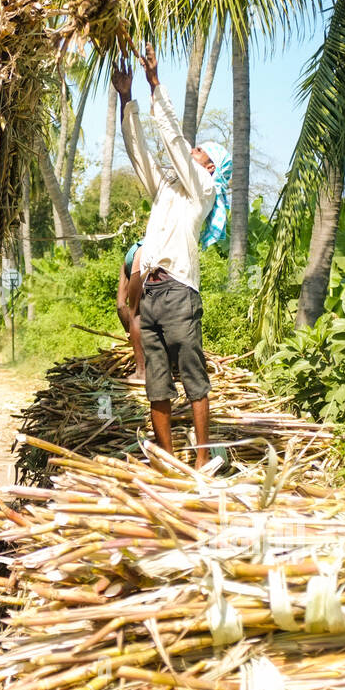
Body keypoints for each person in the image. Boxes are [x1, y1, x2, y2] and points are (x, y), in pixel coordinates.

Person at [113, 44, 218, 469]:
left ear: (209, 168)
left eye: (199, 152)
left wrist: (155, 84)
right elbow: (139, 152)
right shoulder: (166, 190)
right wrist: (127, 98)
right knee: (157, 385)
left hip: (178, 293)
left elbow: (173, 140)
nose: (192, 152)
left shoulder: (203, 190)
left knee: (193, 377)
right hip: (152, 295)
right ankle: (169, 463)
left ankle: (202, 460)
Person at [117, 239, 145, 382]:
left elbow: (121, 305)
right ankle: (144, 371)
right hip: (155, 251)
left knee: (136, 314)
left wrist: (131, 334)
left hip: (133, 253)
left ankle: (141, 371)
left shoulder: (131, 254)